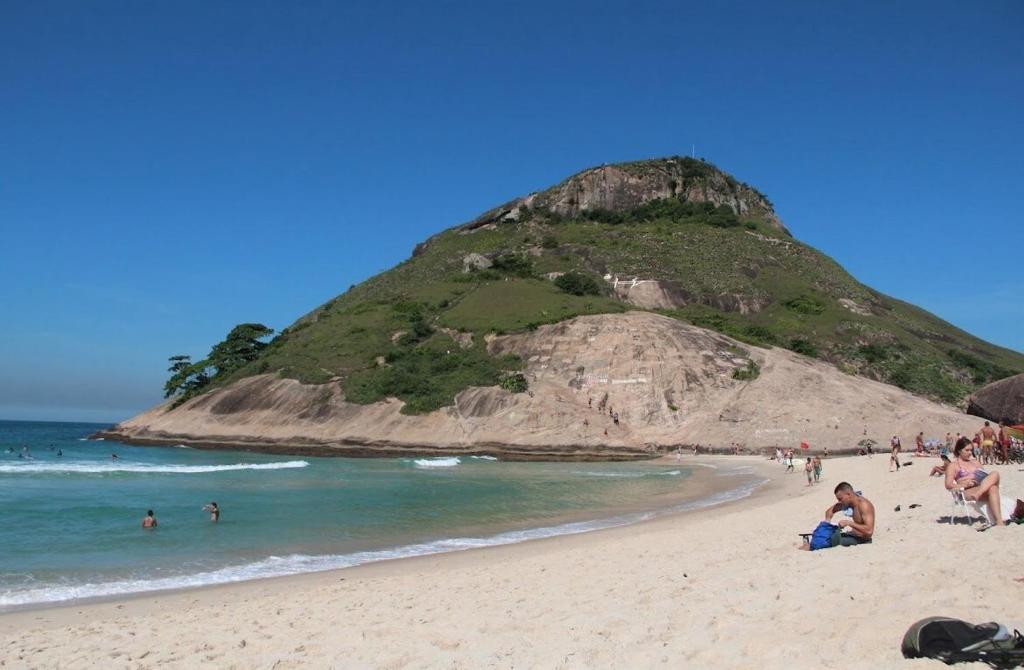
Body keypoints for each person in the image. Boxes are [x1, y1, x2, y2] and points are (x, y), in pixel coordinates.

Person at [945, 437, 1005, 527]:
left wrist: (979, 480)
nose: (970, 453)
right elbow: (948, 485)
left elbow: (985, 477)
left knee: (995, 474)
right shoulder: (953, 465)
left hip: (979, 488)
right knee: (993, 488)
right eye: (967, 450)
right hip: (966, 491)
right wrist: (965, 484)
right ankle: (999, 521)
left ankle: (999, 521)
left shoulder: (976, 462)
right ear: (959, 451)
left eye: (971, 450)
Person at [799, 482, 875, 550]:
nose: (839, 501)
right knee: (827, 537)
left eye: (840, 499)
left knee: (828, 541)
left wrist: (849, 523)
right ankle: (809, 546)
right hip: (852, 535)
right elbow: (829, 511)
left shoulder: (864, 505)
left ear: (849, 494)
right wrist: (826, 525)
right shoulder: (849, 502)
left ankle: (808, 547)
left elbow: (869, 531)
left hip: (862, 539)